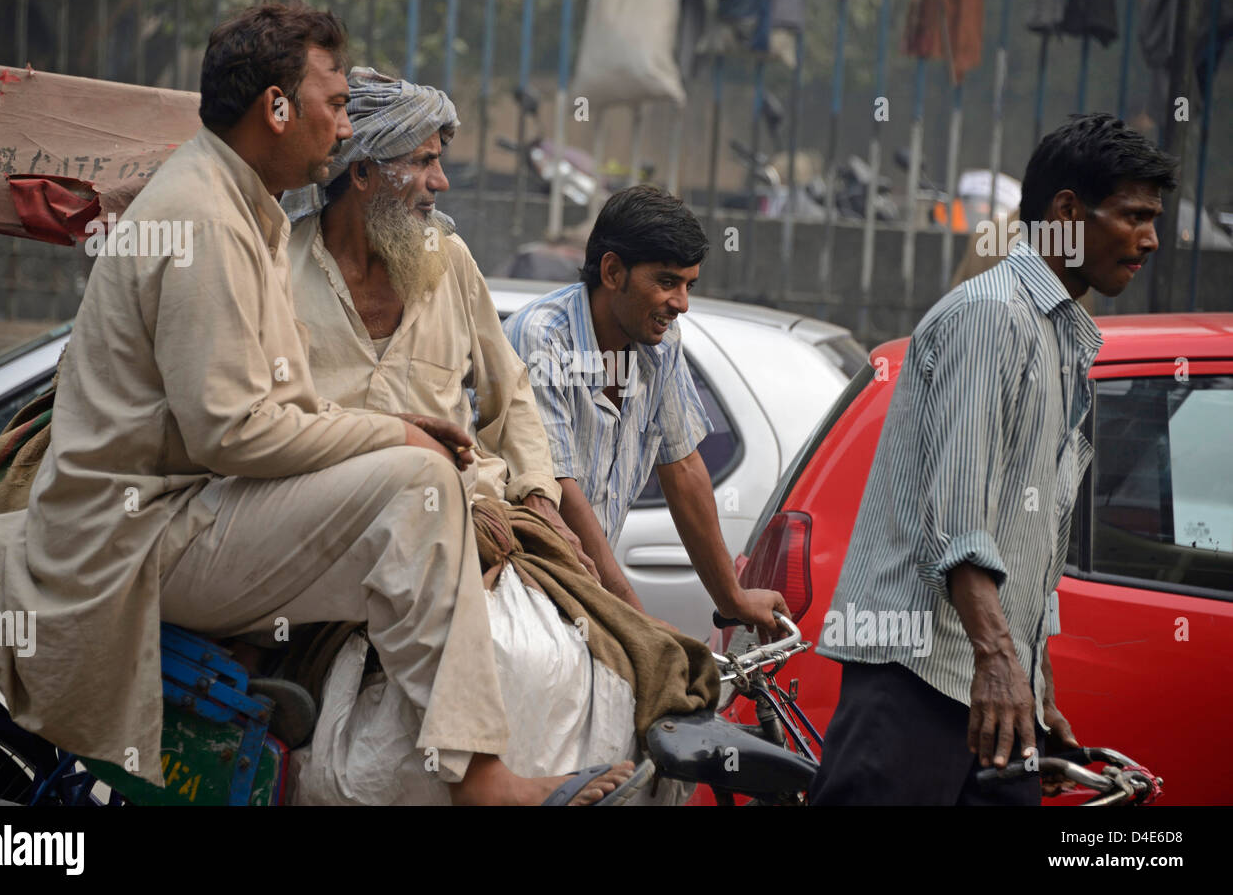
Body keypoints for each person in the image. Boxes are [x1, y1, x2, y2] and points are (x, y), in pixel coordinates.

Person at [0, 1, 634, 806]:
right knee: (418, 486)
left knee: (422, 482)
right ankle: (482, 780)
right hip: (141, 529)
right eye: (333, 105)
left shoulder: (243, 209)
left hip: (196, 508)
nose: (340, 129)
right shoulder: (205, 218)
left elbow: (293, 408)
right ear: (276, 108)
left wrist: (478, 475)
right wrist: (399, 433)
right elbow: (233, 429)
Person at [277, 68, 711, 804]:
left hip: (482, 522)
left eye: (439, 159)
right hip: (342, 530)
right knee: (502, 658)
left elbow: (511, 403)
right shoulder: (277, 273)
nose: (440, 181)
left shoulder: (448, 265)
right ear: (360, 172)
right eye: (421, 160)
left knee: (603, 658)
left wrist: (537, 495)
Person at [809, 113, 1178, 805]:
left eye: (1154, 218)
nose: (1151, 239)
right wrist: (1003, 662)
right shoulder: (991, 316)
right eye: (1134, 215)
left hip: (989, 689)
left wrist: (1036, 686)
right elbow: (957, 519)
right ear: (1068, 212)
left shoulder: (1061, 335)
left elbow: (1029, 534)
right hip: (919, 678)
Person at [503, 186, 789, 638]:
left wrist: (731, 598)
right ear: (613, 271)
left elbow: (684, 467)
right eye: (666, 282)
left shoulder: (661, 346)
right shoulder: (541, 338)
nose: (681, 304)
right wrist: (635, 619)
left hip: (581, 601)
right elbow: (560, 489)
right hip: (512, 596)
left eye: (688, 285)